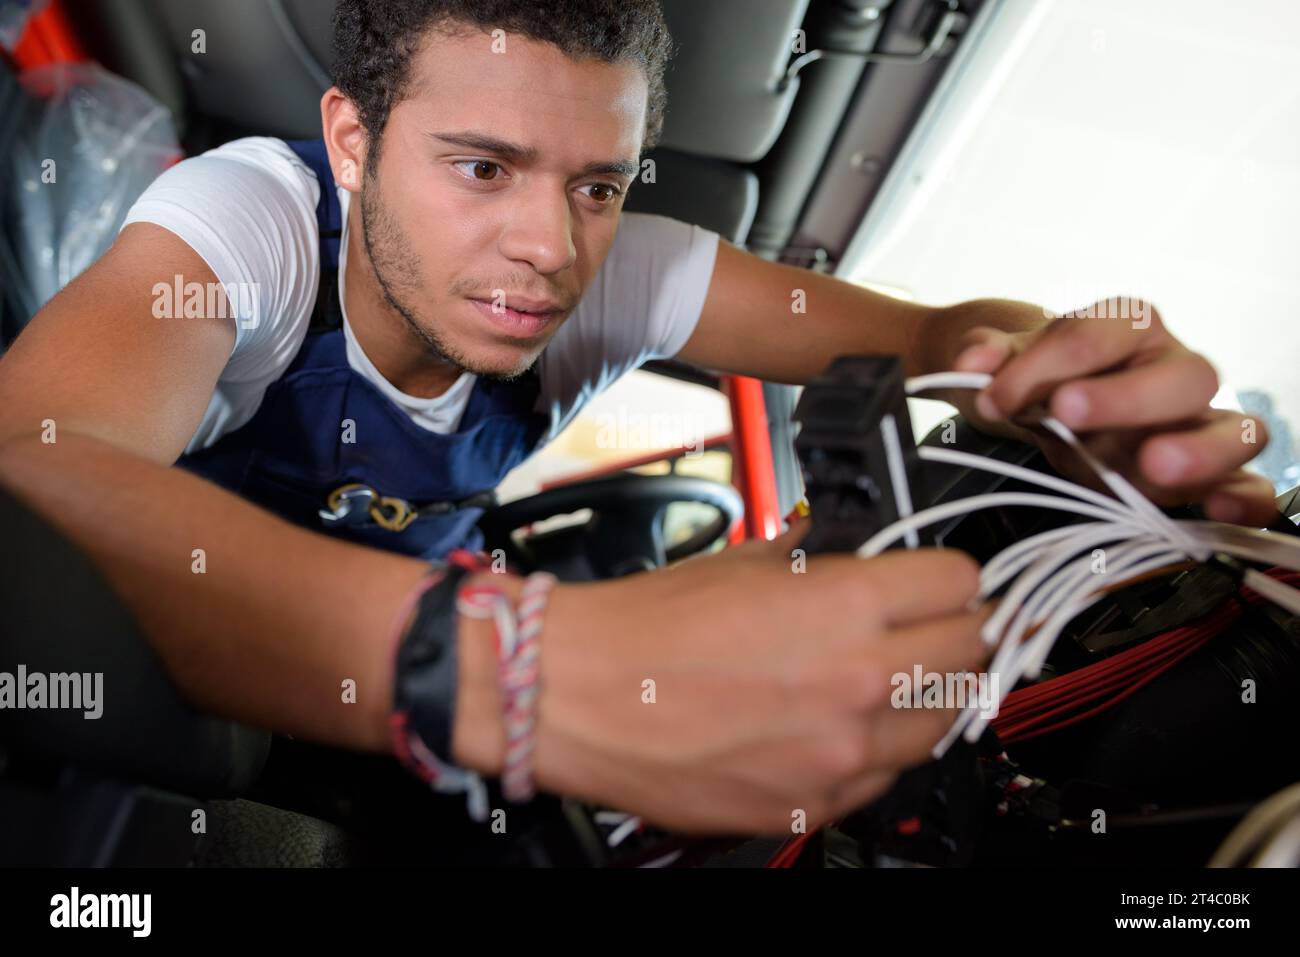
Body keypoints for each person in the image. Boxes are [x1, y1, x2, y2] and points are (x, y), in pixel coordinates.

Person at [0, 0, 1275, 835]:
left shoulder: (629, 273)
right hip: (204, 692)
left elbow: (936, 335)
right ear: (351, 140)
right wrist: (502, 666)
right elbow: (35, 464)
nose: (551, 248)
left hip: (398, 711)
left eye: (596, 185)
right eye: (483, 168)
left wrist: (1050, 376)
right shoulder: (259, 219)